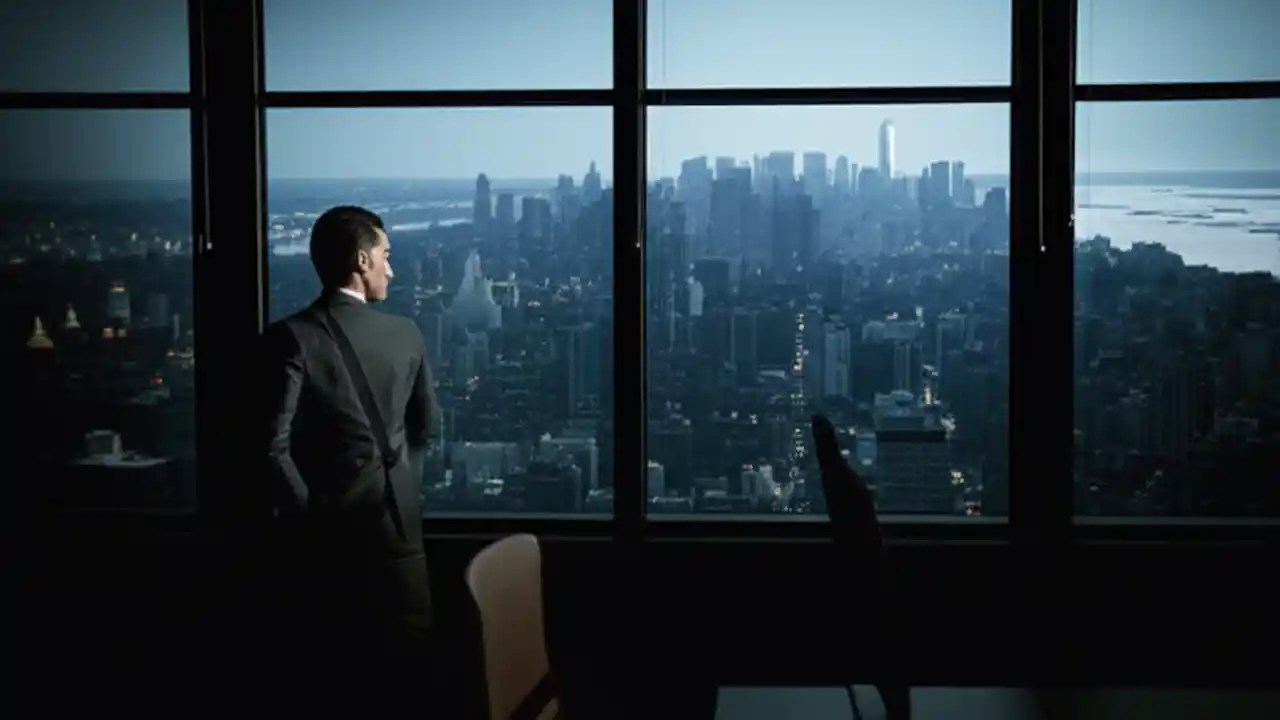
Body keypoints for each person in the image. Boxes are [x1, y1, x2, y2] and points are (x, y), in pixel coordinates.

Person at [260, 205, 438, 669]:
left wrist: (305, 514)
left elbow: (271, 445)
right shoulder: (406, 335)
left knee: (333, 671)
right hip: (399, 532)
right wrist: (401, 484)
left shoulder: (289, 338)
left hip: (324, 537)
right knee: (407, 669)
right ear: (362, 262)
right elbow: (426, 428)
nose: (391, 269)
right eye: (385, 255)